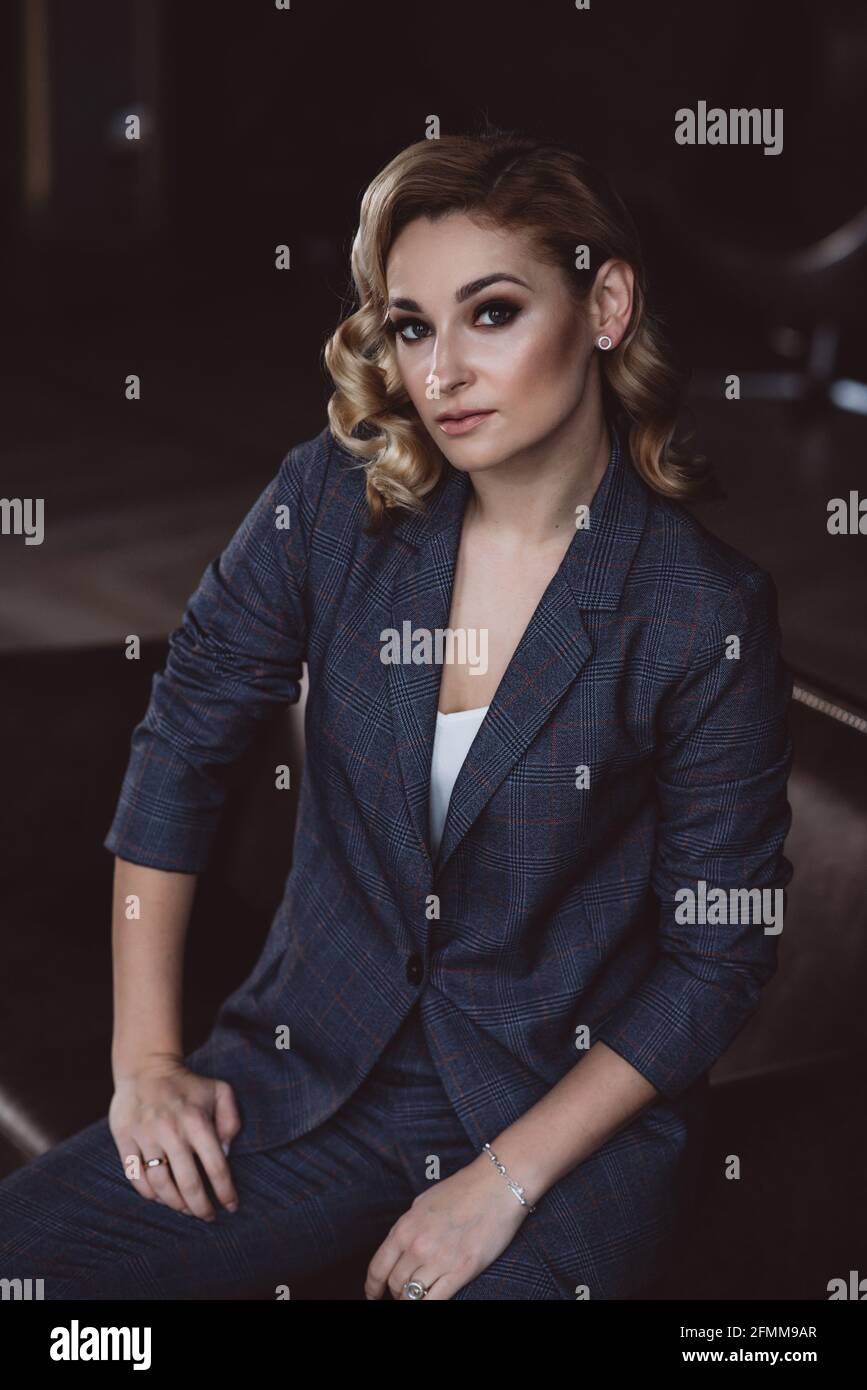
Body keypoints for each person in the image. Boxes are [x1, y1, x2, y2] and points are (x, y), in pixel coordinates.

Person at [0, 129, 795, 1301]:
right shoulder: (333, 500)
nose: (443, 373)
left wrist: (503, 1183)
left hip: (554, 1125)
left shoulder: (701, 610)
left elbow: (717, 953)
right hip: (307, 1072)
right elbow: (185, 739)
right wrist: (148, 1056)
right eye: (415, 326)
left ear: (607, 302)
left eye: (493, 313)